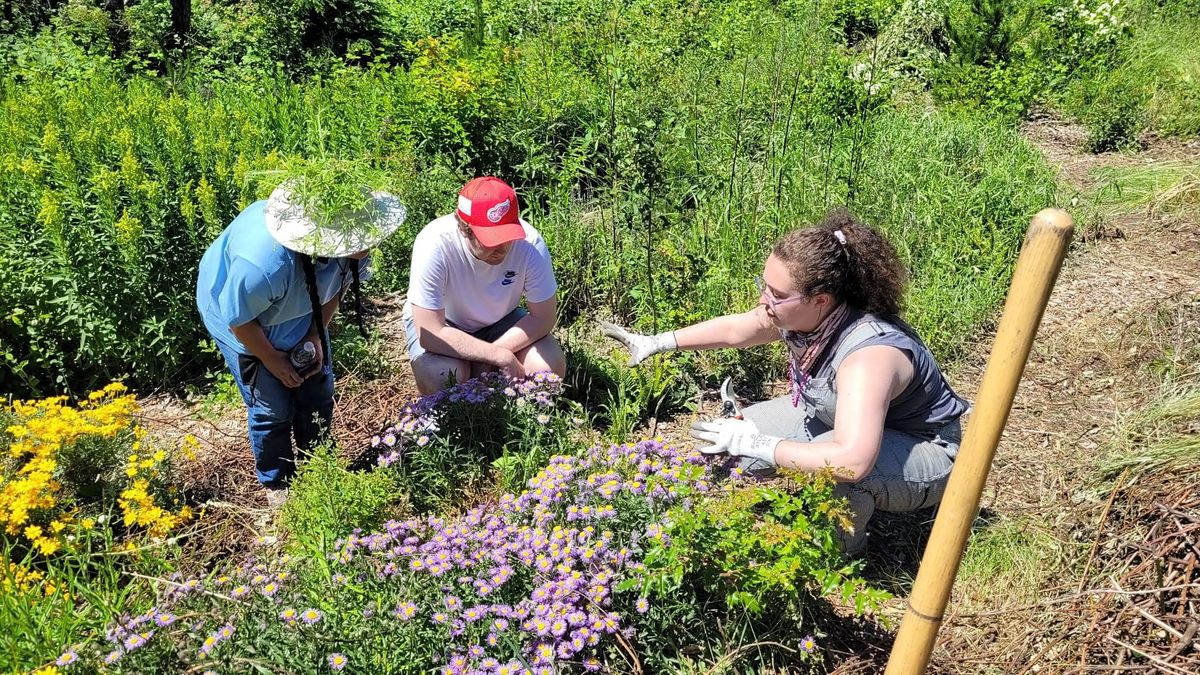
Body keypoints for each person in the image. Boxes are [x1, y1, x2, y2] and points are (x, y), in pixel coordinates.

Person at [602, 209, 969, 555]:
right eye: (765, 286)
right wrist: (656, 342)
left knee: (835, 474)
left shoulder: (867, 358)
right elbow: (736, 329)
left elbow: (853, 460)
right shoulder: (803, 316)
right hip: (836, 420)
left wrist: (763, 443)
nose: (764, 301)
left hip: (922, 448)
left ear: (820, 300)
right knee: (729, 448)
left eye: (776, 295)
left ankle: (838, 555)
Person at [197, 182, 406, 507]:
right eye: (357, 239)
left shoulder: (352, 249)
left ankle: (318, 468)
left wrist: (314, 333)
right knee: (272, 407)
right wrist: (272, 360)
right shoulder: (264, 265)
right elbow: (239, 320)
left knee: (317, 388)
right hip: (243, 317)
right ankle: (278, 485)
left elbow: (335, 286)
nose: (366, 244)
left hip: (295, 304)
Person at [404, 177, 565, 394]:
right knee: (442, 376)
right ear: (464, 228)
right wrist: (497, 356)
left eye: (507, 235)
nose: (502, 248)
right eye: (490, 239)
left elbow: (543, 317)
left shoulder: (530, 244)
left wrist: (493, 352)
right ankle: (453, 420)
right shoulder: (434, 243)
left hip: (502, 320)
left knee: (547, 369)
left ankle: (517, 413)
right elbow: (431, 331)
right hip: (448, 325)